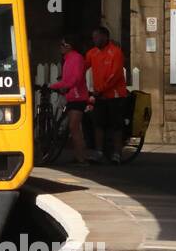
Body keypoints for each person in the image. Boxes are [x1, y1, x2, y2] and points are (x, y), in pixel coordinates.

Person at [85, 26, 129, 164]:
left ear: (105, 37)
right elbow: (83, 67)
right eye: (93, 37)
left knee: (116, 125)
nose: (94, 40)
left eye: (97, 37)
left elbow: (115, 74)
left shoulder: (115, 52)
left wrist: (102, 89)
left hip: (115, 96)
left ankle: (117, 153)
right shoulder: (92, 53)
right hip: (100, 95)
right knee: (98, 124)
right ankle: (99, 152)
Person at [49, 35, 89, 165]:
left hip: (78, 96)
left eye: (62, 45)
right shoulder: (68, 59)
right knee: (74, 128)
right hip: (72, 96)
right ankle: (78, 156)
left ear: (69, 46)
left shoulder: (76, 58)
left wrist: (57, 86)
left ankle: (82, 158)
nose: (60, 47)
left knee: (74, 127)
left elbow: (75, 79)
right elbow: (67, 79)